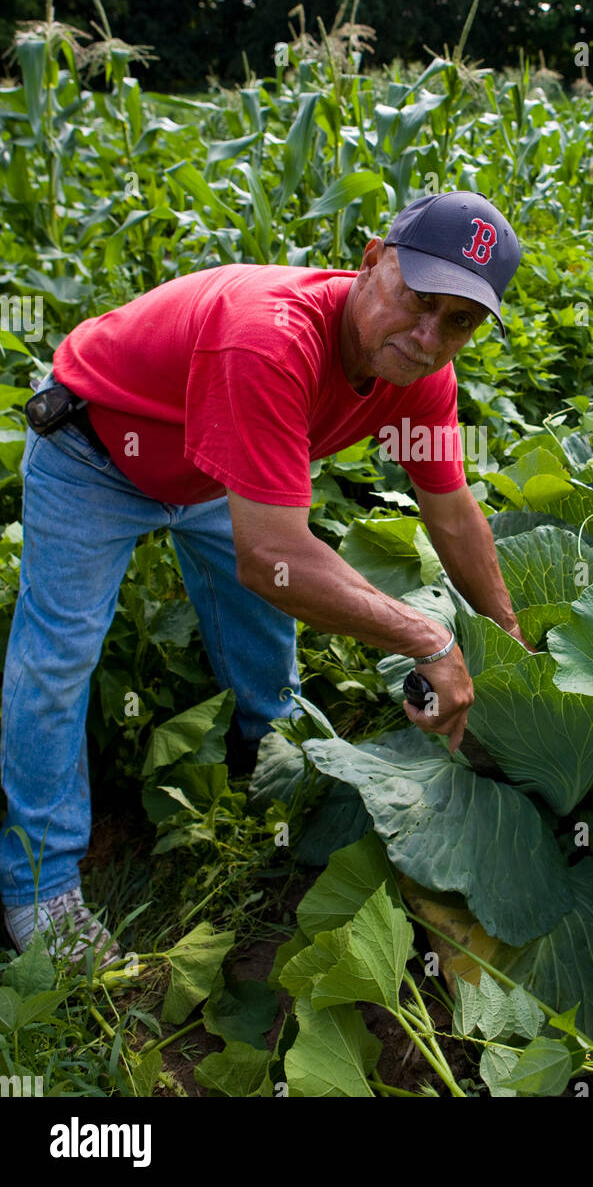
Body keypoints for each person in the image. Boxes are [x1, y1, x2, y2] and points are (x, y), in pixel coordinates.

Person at [0, 189, 531, 969]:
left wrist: (508, 642)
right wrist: (429, 637)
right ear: (372, 261)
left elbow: (450, 513)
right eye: (418, 300)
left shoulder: (420, 376)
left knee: (263, 630)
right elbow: (272, 559)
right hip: (99, 451)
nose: (427, 337)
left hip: (213, 468)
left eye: (459, 322)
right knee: (60, 655)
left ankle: (267, 757)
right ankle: (37, 888)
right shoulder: (272, 340)